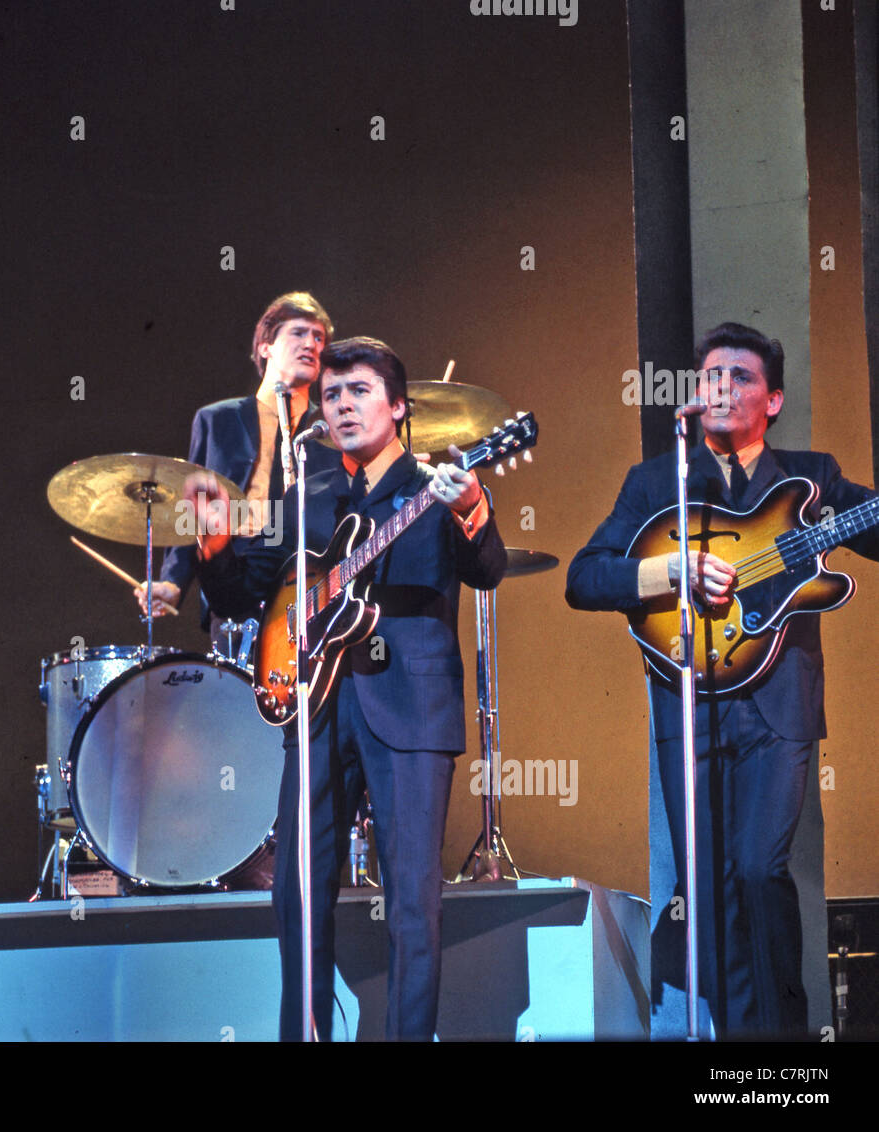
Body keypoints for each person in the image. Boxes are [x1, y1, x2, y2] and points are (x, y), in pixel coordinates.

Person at [185, 337, 507, 1040]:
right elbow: (248, 597)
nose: (342, 406)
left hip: (411, 708)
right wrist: (214, 547)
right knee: (295, 893)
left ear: (398, 407)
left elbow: (487, 570)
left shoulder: (435, 487)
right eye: (331, 395)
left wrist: (472, 506)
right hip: (319, 704)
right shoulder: (308, 497)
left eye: (359, 391)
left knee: (412, 902)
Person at [565, 322, 879, 1037]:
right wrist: (671, 570)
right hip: (688, 706)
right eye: (711, 375)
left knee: (761, 870)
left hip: (778, 708)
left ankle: (784, 1044)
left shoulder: (812, 477)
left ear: (773, 400)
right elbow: (583, 578)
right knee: (708, 891)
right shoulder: (657, 480)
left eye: (741, 377)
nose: (722, 388)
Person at [135, 291, 345, 629]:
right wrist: (173, 580)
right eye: (299, 333)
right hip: (233, 573)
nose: (311, 344)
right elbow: (194, 506)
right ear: (265, 346)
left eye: (319, 337)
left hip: (307, 582)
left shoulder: (331, 429)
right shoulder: (218, 419)